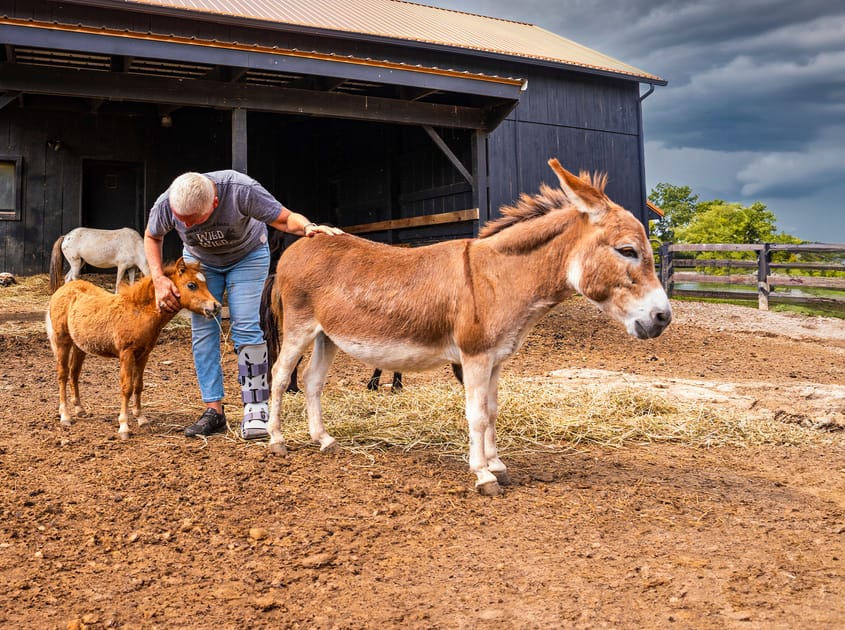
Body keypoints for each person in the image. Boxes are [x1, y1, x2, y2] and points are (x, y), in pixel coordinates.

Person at [144, 170, 342, 440]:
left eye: (194, 220)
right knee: (203, 332)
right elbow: (152, 236)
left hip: (246, 257)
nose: (187, 227)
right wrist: (157, 278)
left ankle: (255, 406)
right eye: (182, 221)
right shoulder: (167, 204)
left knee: (246, 326)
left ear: (214, 204)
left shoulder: (240, 189)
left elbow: (285, 219)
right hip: (201, 262)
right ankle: (213, 411)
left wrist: (309, 228)